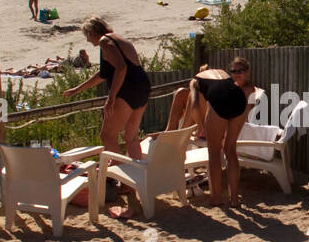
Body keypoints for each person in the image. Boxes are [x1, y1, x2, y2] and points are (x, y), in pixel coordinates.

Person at [164, 58, 254, 207]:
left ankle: (216, 198)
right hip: (238, 98)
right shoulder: (223, 74)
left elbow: (193, 105)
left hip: (218, 99)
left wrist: (201, 127)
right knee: (231, 150)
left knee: (214, 153)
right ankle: (234, 199)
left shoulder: (195, 80)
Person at [63, 16, 151, 168]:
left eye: (87, 36)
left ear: (92, 32)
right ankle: (137, 177)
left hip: (127, 90)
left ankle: (122, 174)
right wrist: (77, 89)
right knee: (130, 136)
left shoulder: (105, 41)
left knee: (107, 136)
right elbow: (103, 74)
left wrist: (111, 98)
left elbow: (121, 68)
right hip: (142, 87)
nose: (88, 41)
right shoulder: (118, 39)